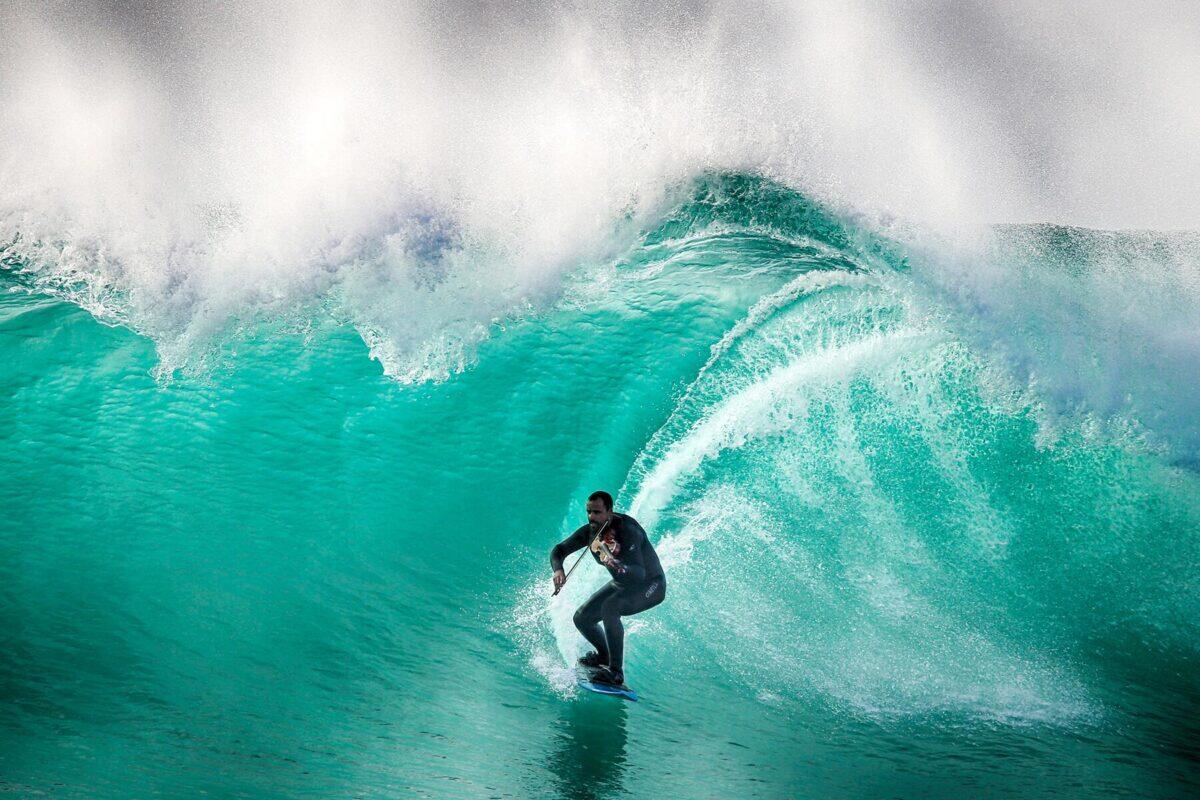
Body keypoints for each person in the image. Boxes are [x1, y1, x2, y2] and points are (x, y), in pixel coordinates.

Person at [550, 491, 666, 686]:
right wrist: (558, 569)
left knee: (610, 607)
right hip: (623, 585)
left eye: (597, 512)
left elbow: (639, 573)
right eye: (589, 512)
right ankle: (604, 656)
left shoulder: (628, 531)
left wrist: (618, 564)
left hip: (650, 584)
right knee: (582, 618)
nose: (591, 517)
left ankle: (616, 672)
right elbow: (559, 550)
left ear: (609, 511)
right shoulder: (591, 533)